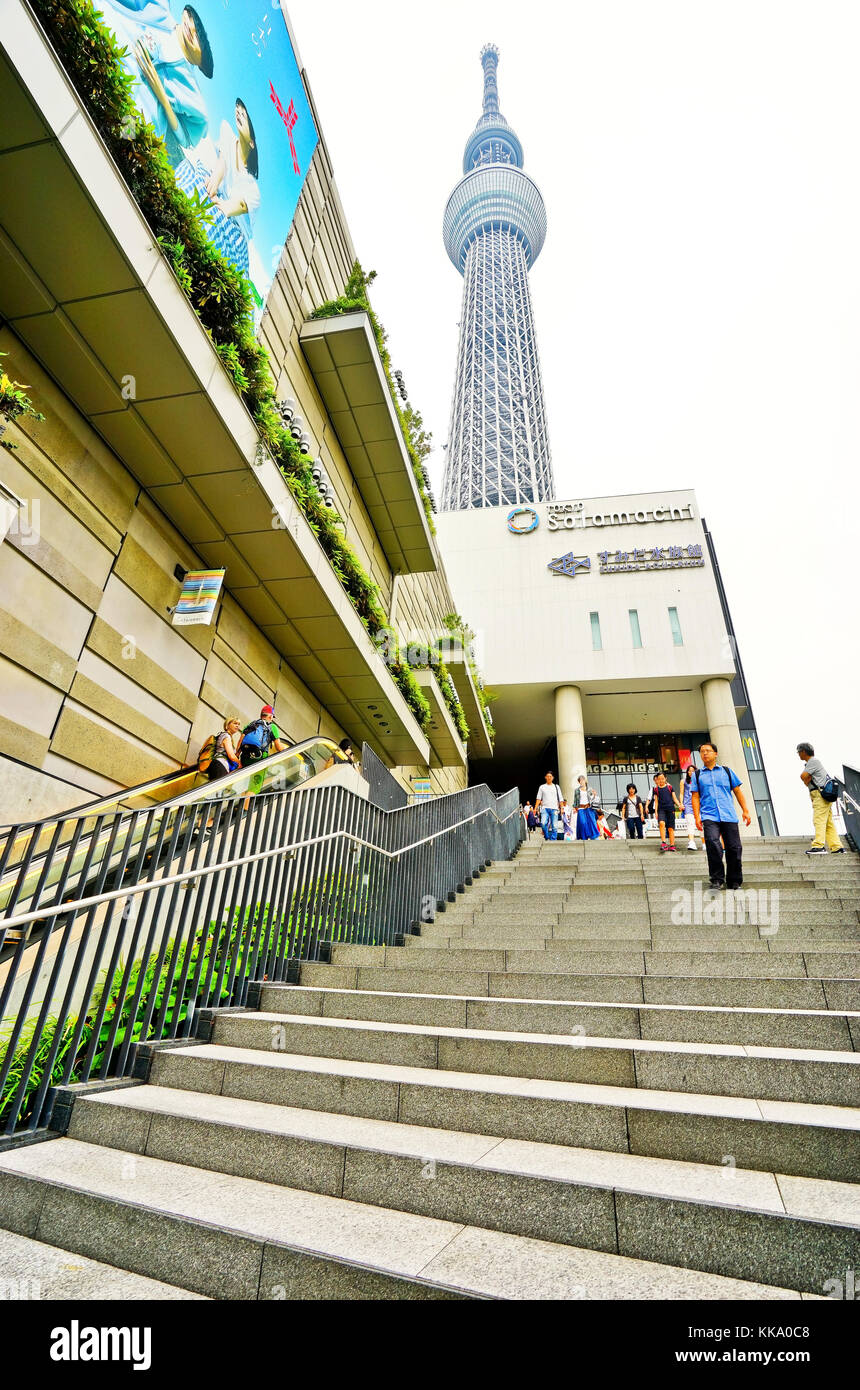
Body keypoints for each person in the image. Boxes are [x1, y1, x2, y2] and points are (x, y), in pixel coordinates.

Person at [98, 1, 213, 167]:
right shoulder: (159, 11)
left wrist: (162, 96)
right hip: (102, 65)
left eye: (199, 37)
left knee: (108, 154)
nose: (193, 29)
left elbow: (187, 138)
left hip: (132, 118)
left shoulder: (189, 88)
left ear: (202, 64)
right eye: (193, 20)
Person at [176, 99, 260, 276]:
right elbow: (222, 163)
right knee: (197, 177)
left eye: (243, 114)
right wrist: (213, 181)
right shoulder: (227, 133)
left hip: (235, 231)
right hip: (216, 195)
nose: (238, 113)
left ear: (252, 142)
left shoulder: (253, 191)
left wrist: (216, 200)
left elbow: (231, 209)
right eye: (238, 110)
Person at [691, 741, 753, 893]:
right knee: (712, 844)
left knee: (734, 848)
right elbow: (695, 797)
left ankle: (734, 880)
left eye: (708, 750)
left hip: (728, 815)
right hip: (709, 815)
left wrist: (745, 810)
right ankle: (717, 879)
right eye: (702, 751)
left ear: (715, 754)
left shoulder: (726, 771)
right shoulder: (697, 775)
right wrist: (697, 816)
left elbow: (737, 791)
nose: (704, 753)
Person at [797, 743, 845, 855]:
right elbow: (806, 780)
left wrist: (806, 778)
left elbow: (803, 777)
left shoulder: (813, 761)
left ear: (804, 751)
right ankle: (836, 847)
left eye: (799, 752)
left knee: (818, 820)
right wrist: (807, 779)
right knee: (828, 823)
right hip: (820, 795)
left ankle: (819, 846)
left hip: (820, 796)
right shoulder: (811, 763)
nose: (798, 754)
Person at [648, 772, 683, 852]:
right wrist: (656, 812)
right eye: (659, 779)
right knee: (661, 823)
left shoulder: (670, 787)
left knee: (670, 828)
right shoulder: (656, 789)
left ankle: (672, 845)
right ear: (657, 780)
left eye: (662, 779)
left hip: (670, 809)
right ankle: (663, 843)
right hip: (661, 810)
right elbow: (656, 802)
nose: (661, 780)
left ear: (665, 778)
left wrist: (679, 805)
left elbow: (674, 798)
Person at [207, 716, 242, 781]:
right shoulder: (226, 736)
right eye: (235, 723)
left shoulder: (226, 736)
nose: (237, 726)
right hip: (220, 765)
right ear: (227, 725)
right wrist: (240, 764)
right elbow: (231, 756)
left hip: (218, 765)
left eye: (238, 724)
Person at [535, 772, 564, 841]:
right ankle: (547, 836)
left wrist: (562, 808)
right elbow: (539, 798)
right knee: (543, 823)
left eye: (550, 776)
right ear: (545, 777)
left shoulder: (556, 787)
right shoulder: (542, 787)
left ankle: (553, 839)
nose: (549, 778)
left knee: (554, 826)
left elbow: (560, 798)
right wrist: (535, 808)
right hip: (545, 808)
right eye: (547, 776)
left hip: (554, 809)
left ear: (553, 778)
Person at [680, 765, 702, 850]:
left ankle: (704, 843)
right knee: (690, 823)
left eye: (693, 771)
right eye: (689, 771)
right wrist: (681, 804)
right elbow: (682, 793)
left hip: (699, 805)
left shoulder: (700, 781)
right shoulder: (683, 781)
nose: (691, 772)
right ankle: (691, 842)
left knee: (701, 824)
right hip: (688, 805)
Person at [572, 775, 600, 840]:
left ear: (585, 781)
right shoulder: (577, 790)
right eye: (580, 781)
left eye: (582, 780)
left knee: (592, 822)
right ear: (579, 782)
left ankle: (594, 837)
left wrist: (594, 795)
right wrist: (575, 807)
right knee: (582, 823)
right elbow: (575, 800)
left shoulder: (589, 789)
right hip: (581, 808)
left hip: (589, 808)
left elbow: (592, 799)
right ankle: (583, 837)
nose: (581, 782)